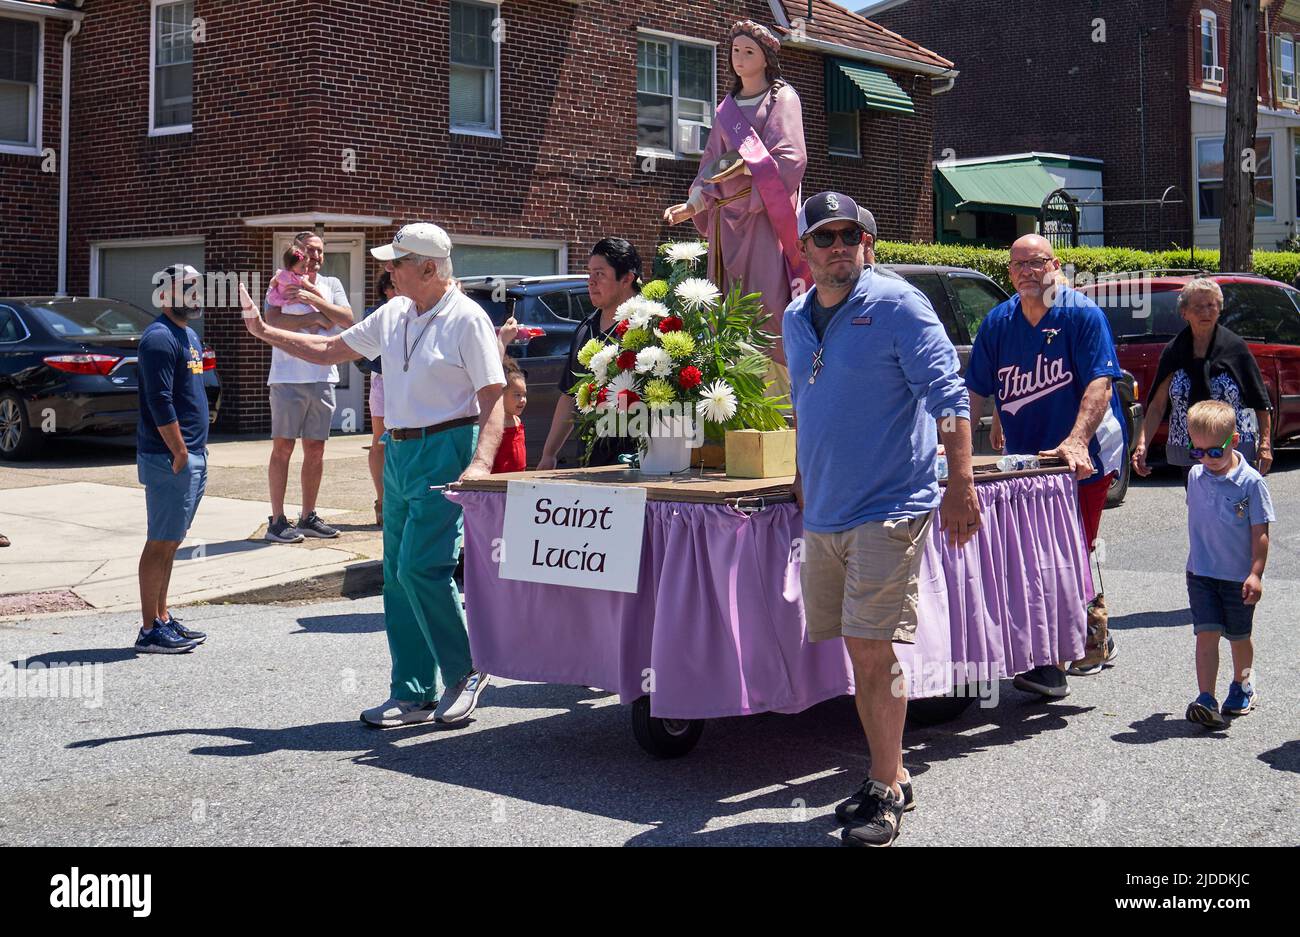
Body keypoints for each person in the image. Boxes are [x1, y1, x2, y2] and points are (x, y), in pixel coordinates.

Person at [240, 222, 505, 727]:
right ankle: (412, 692)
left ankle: (466, 670)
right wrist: (264, 331)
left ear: (429, 268)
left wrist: (480, 462)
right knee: (396, 577)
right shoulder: (396, 311)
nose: (388, 270)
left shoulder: (467, 317)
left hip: (446, 445)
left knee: (421, 568)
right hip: (400, 450)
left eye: (397, 262)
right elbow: (328, 349)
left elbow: (493, 395)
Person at [784, 192, 981, 847]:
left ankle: (886, 787)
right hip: (827, 511)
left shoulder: (895, 303)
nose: (839, 245)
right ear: (805, 248)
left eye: (851, 234)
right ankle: (888, 771)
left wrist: (961, 480)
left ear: (866, 243)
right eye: (825, 236)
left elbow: (949, 395)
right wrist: (801, 475)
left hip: (891, 505)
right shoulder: (793, 317)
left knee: (872, 651)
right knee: (856, 650)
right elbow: (807, 402)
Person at [965, 234, 1128, 695]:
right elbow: (977, 389)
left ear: (1056, 265)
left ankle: (1059, 657)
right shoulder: (998, 322)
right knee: (1032, 556)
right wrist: (955, 444)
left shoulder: (1081, 315)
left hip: (1084, 459)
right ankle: (1081, 642)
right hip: (1026, 463)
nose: (1026, 272)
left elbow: (1101, 384)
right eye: (1017, 265)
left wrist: (1076, 441)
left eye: (1035, 263)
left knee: (1071, 551)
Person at [664, 19, 808, 376]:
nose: (740, 58)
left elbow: (792, 157)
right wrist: (693, 204)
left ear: (765, 58)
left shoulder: (782, 97)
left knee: (767, 301)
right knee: (725, 304)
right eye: (735, 51)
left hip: (763, 216)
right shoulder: (726, 108)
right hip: (725, 223)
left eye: (749, 51)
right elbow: (710, 165)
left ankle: (774, 386)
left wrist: (747, 166)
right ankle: (729, 384)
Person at [133, 264, 210, 654]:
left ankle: (162, 617)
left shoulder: (189, 335)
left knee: (172, 541)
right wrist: (179, 450)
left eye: (197, 287)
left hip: (192, 455)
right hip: (170, 458)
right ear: (164, 295)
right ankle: (149, 630)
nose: (195, 294)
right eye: (187, 288)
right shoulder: (159, 338)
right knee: (159, 543)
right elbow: (158, 400)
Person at [1182, 400, 1272, 729]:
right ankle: (1206, 697)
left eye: (1213, 453)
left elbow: (1260, 533)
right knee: (1206, 635)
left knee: (1239, 637)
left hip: (1237, 578)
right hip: (1202, 574)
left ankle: (1243, 685)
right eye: (1197, 451)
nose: (1205, 459)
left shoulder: (1251, 483)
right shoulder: (1195, 476)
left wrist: (1255, 573)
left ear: (1233, 442)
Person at [263, 231, 354, 543]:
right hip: (287, 378)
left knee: (316, 449)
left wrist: (314, 300)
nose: (316, 256)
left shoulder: (332, 285)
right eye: (310, 250)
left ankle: (308, 517)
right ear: (297, 251)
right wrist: (316, 319)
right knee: (283, 448)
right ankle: (276, 521)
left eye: (320, 251)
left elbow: (346, 319)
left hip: (322, 377)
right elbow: (271, 321)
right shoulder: (280, 281)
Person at [1133, 278, 1273, 480]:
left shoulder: (1236, 348)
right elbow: (1157, 406)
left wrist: (1265, 445)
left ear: (1219, 309)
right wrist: (1142, 444)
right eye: (1198, 306)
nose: (1206, 312)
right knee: (1200, 507)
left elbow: (1260, 401)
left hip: (1232, 447)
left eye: (1211, 305)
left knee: (1234, 507)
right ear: (1184, 312)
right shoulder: (1174, 351)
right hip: (1190, 447)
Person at [537, 238, 643, 469]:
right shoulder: (586, 329)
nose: (591, 282)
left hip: (643, 460)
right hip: (592, 460)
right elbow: (569, 396)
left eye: (600, 274)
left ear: (626, 278)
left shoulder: (651, 328)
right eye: (590, 273)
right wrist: (549, 454)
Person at [358, 271, 397, 526]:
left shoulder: (417, 311)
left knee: (403, 441)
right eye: (392, 286)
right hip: (383, 380)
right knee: (380, 440)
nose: (398, 291)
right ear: (384, 289)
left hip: (411, 384)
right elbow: (363, 354)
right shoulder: (376, 314)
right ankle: (381, 500)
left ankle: (397, 501)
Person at [492, 359, 528, 473]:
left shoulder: (517, 420)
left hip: (518, 476)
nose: (522, 400)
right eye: (517, 395)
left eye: (524, 395)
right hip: (500, 477)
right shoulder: (495, 422)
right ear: (501, 395)